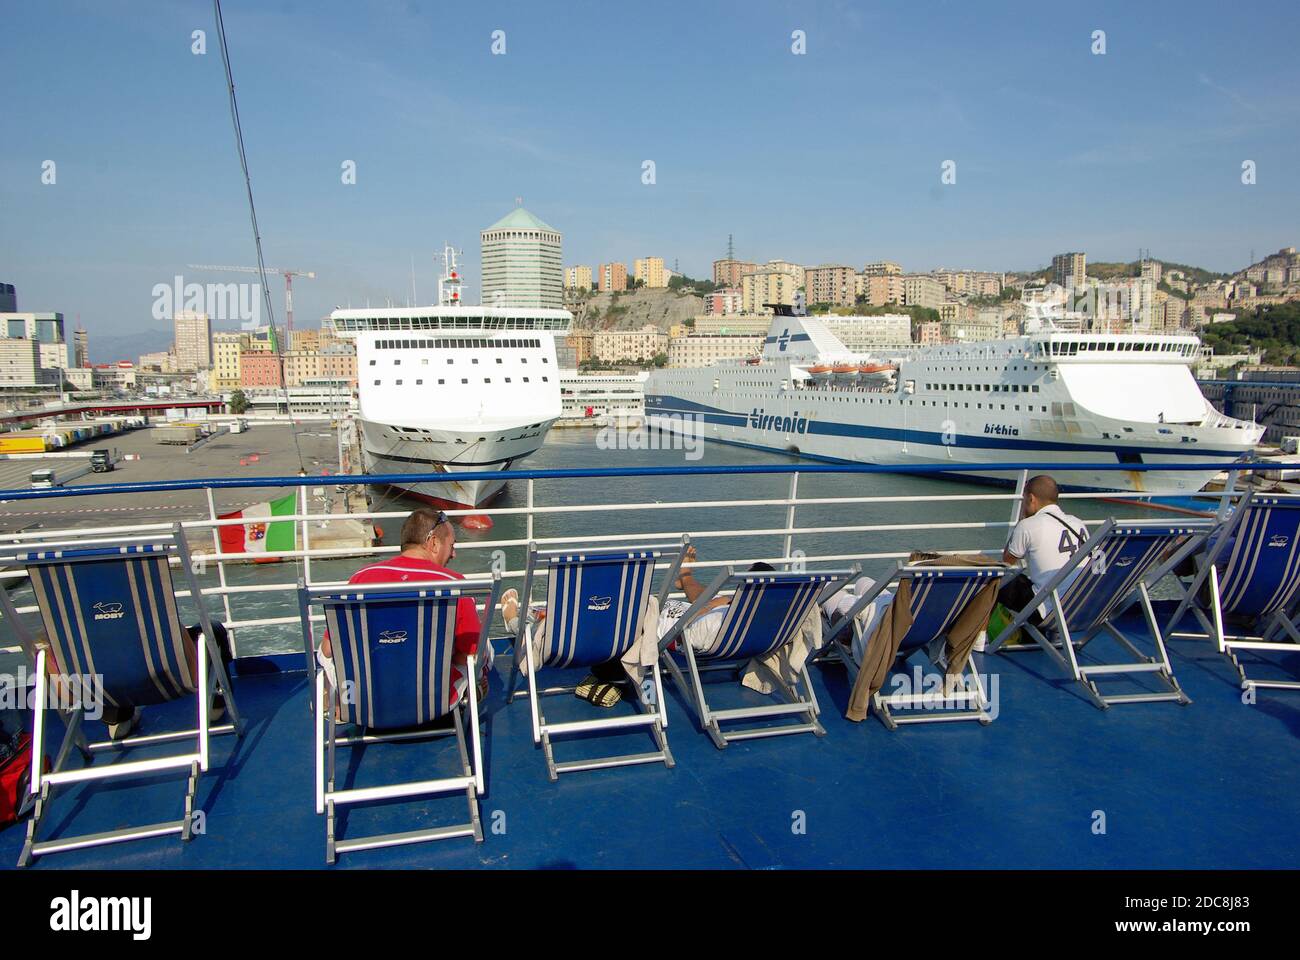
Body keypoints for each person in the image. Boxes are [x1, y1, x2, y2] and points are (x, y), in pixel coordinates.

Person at [318, 507, 491, 712]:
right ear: (433, 543)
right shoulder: (453, 584)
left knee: (323, 652)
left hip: (369, 705)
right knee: (483, 647)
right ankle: (470, 691)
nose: (454, 553)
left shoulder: (361, 579)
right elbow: (471, 655)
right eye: (451, 545)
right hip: (432, 703)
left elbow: (329, 649)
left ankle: (339, 697)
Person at [998, 474, 1089, 623]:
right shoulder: (1078, 523)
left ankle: (981, 640)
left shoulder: (1028, 525)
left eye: (1024, 500)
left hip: (1046, 610)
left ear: (1031, 499)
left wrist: (1022, 519)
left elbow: (1007, 561)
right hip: (1078, 606)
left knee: (993, 580)